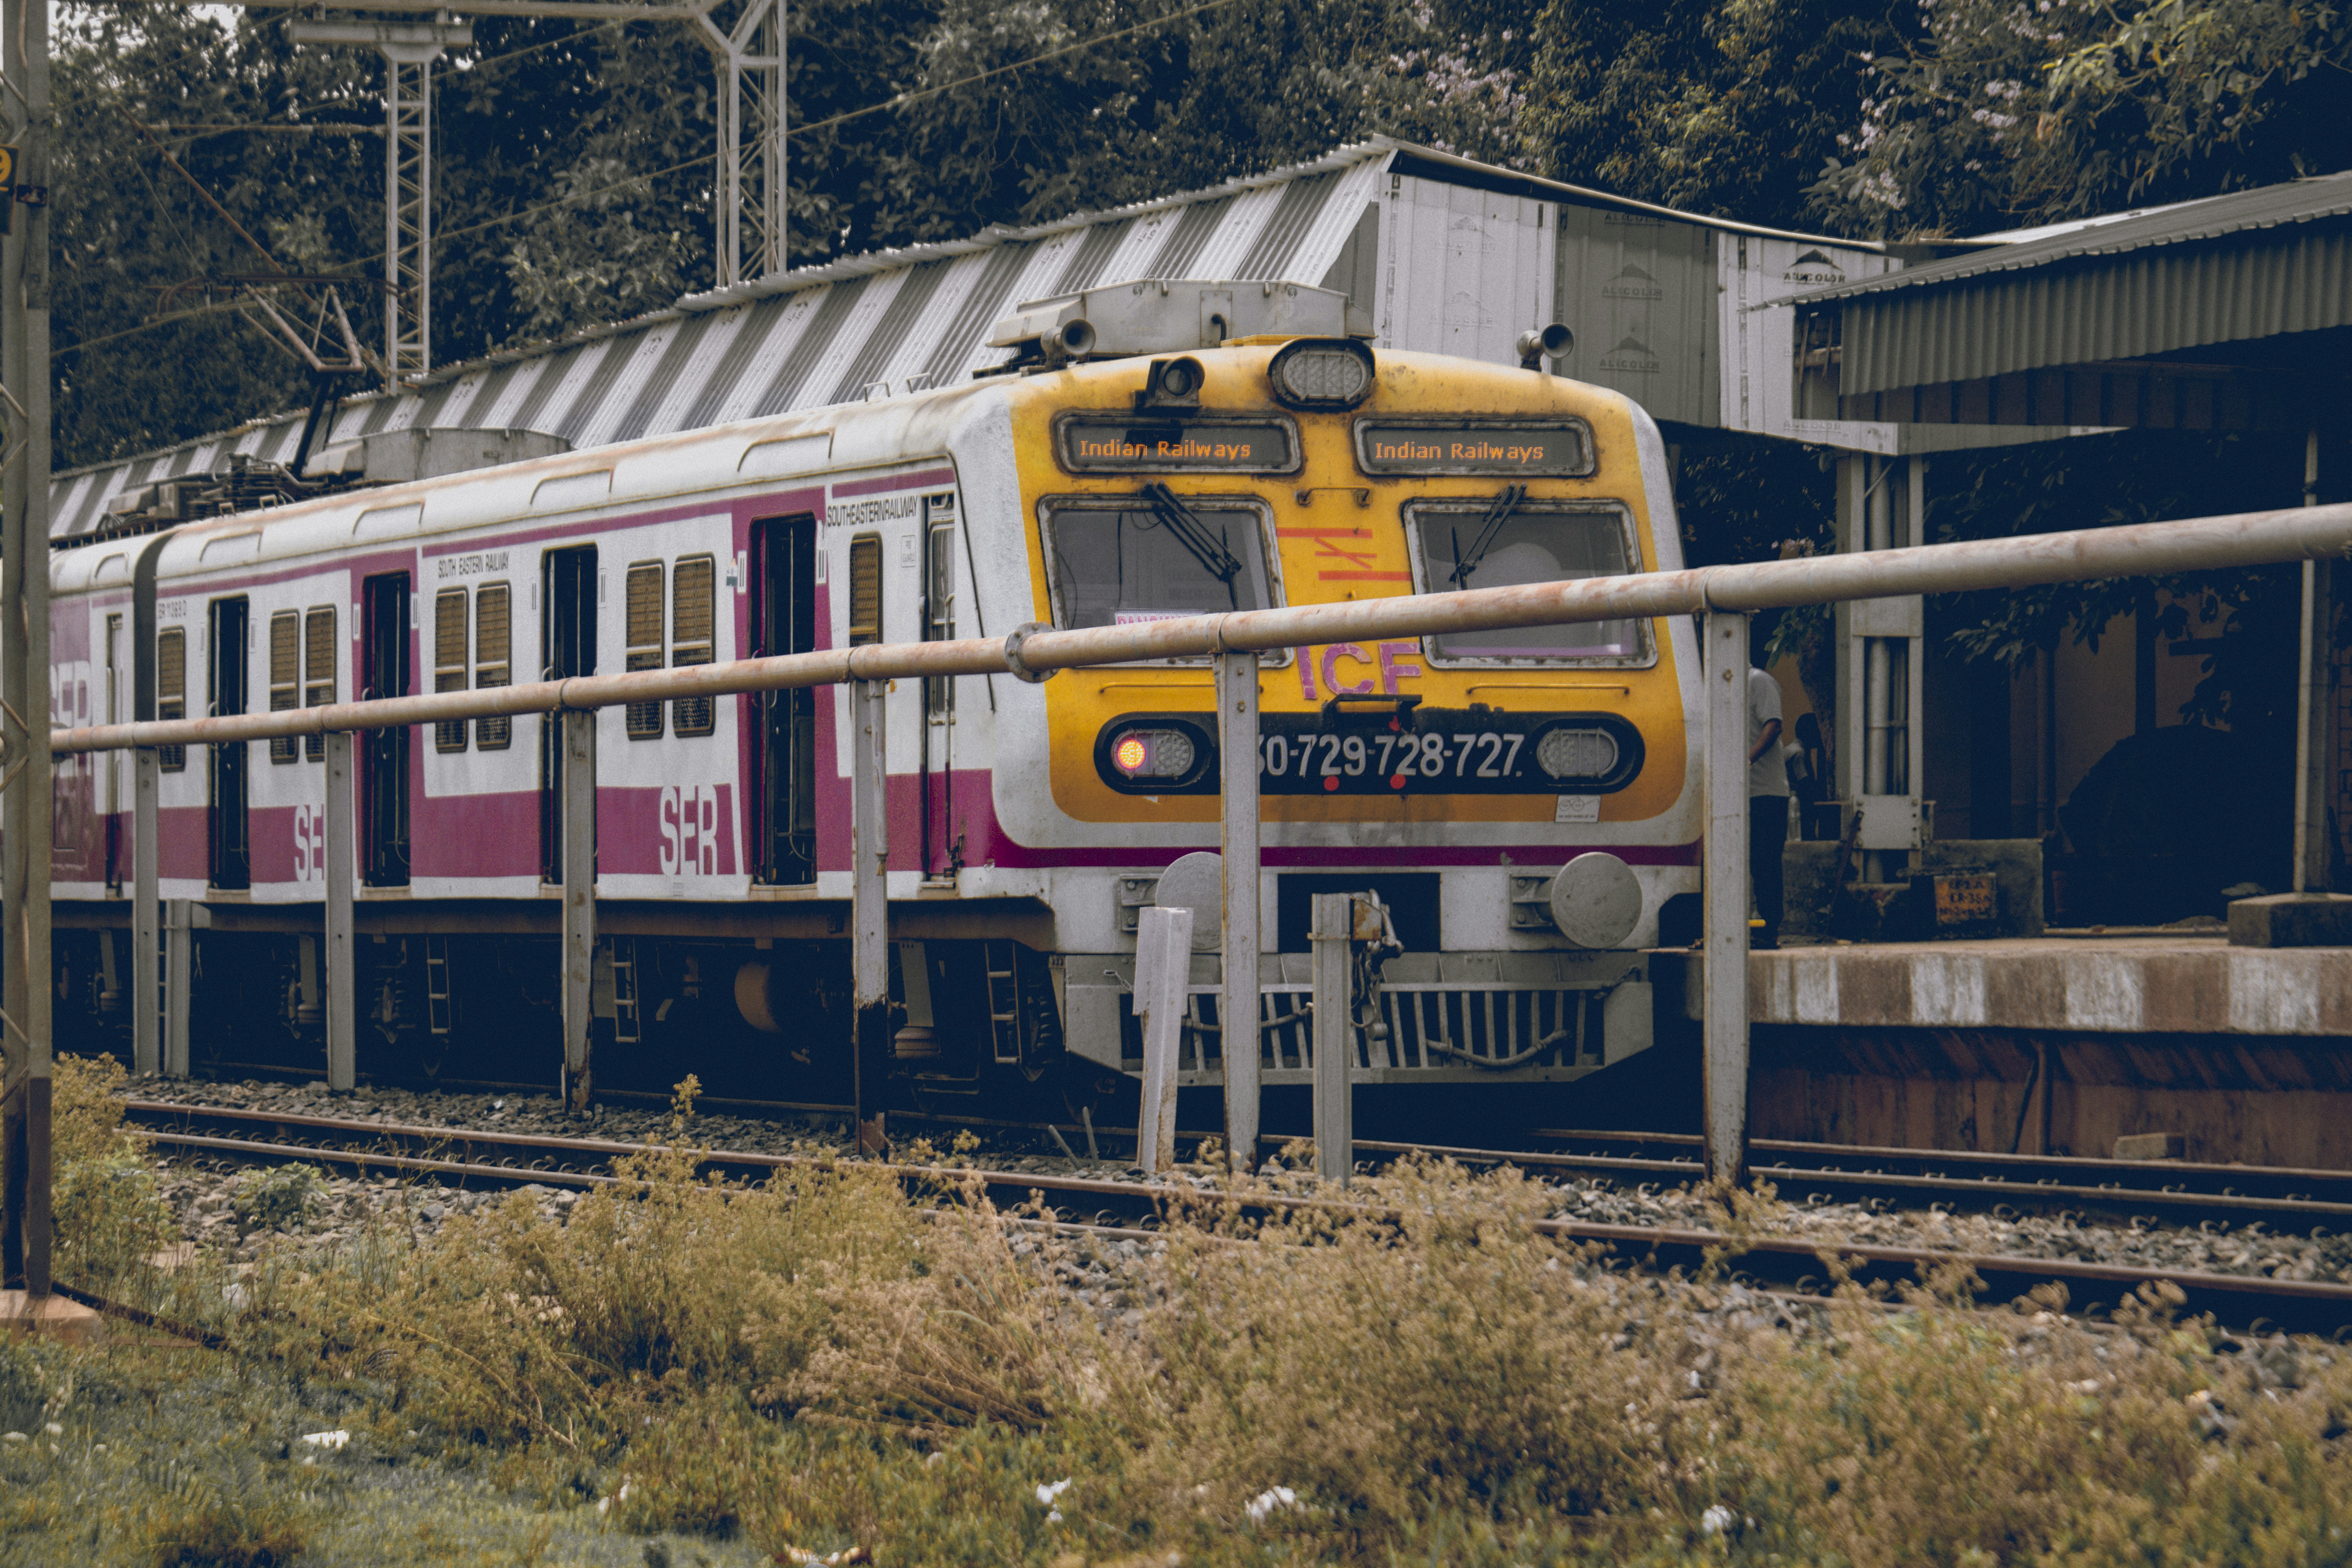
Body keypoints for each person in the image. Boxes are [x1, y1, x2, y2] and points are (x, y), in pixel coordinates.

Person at [1748, 640, 1789, 949]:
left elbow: (1773, 725)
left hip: (1765, 792)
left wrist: (1746, 760)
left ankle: (1768, 929)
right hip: (1734, 794)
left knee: (1765, 863)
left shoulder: (1757, 681)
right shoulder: (1720, 691)